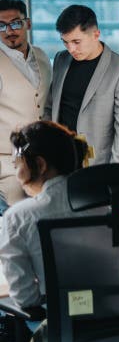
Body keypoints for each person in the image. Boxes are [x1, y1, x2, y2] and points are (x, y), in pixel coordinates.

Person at [0, 121, 93, 310]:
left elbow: (26, 298)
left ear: (40, 165)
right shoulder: (102, 206)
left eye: (17, 164)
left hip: (65, 331)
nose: (17, 174)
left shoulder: (18, 217)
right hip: (114, 322)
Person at [44, 5, 119, 165]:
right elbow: (50, 106)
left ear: (96, 34)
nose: (71, 49)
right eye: (65, 42)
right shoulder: (61, 59)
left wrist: (116, 170)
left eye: (76, 42)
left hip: (97, 162)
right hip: (59, 158)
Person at [0, 0, 52, 205]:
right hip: (8, 164)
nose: (9, 31)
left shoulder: (41, 56)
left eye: (15, 23)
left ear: (27, 24)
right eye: (1, 25)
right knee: (18, 221)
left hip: (43, 161)